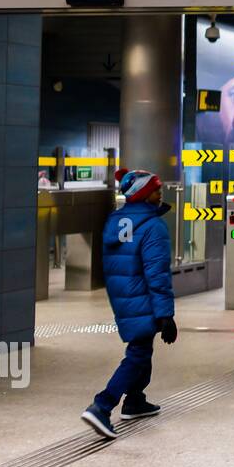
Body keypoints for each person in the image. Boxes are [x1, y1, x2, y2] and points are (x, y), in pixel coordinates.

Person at [81, 168, 179, 440]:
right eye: (157, 191)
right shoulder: (152, 226)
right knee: (137, 353)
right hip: (143, 297)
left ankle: (135, 400)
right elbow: (156, 273)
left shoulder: (115, 221)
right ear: (144, 194)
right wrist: (165, 314)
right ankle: (102, 405)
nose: (161, 195)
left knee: (142, 347)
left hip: (123, 297)